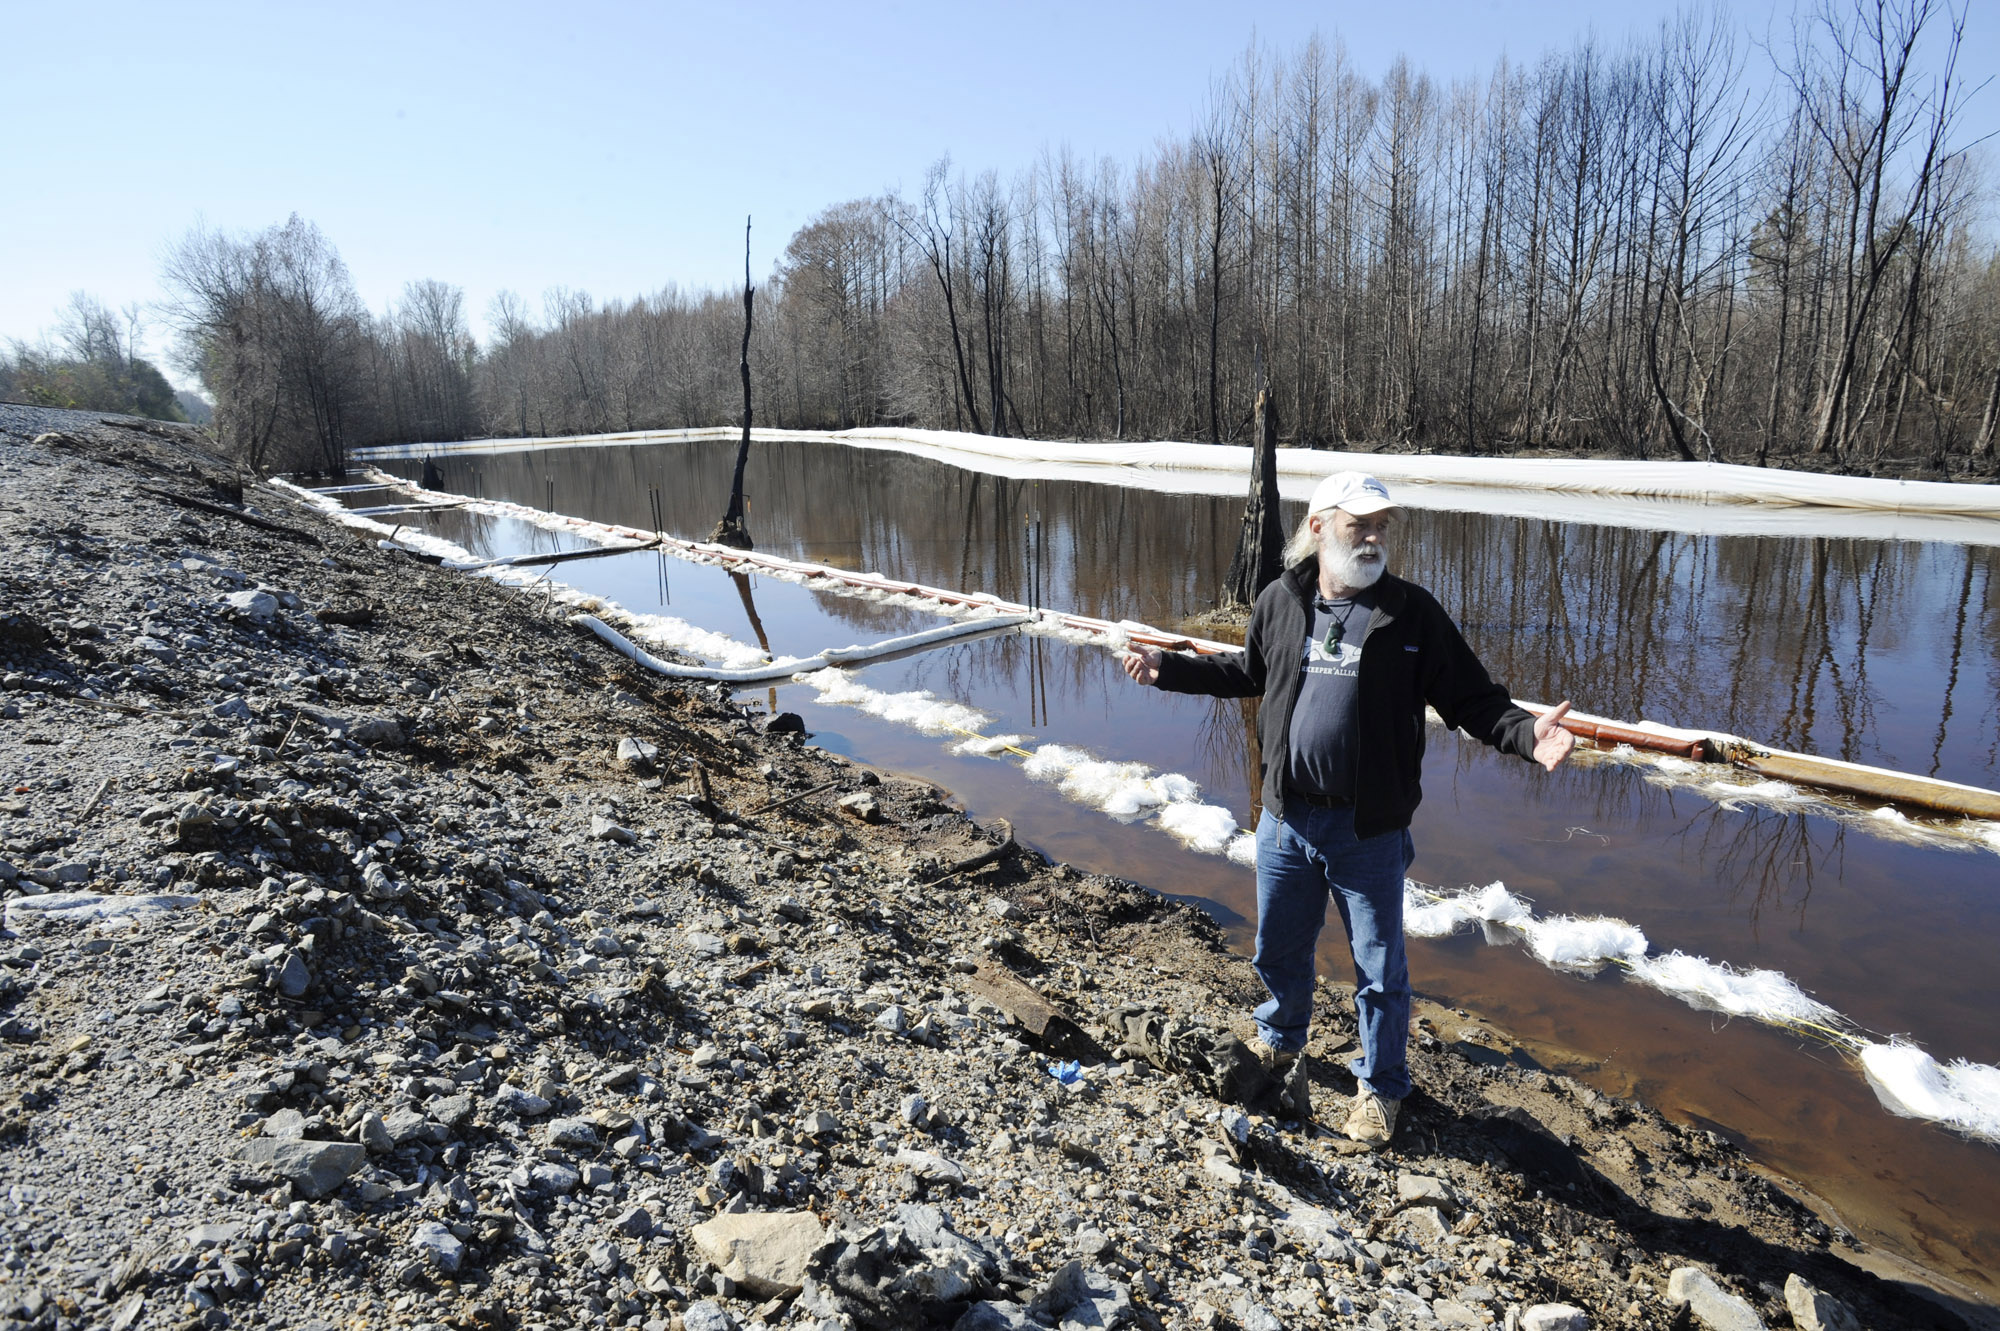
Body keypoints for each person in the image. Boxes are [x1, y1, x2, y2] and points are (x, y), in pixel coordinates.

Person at [1121, 471, 1576, 1145]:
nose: (1372, 537)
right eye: (1358, 524)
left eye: (1381, 526)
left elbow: (1473, 700)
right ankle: (1278, 1041)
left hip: (1367, 829)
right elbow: (1249, 672)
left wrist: (1523, 733)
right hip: (1284, 818)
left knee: (1380, 968)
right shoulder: (1281, 599)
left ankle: (1381, 1087)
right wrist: (1172, 669)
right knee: (1278, 947)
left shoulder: (1410, 615)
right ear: (1318, 527)